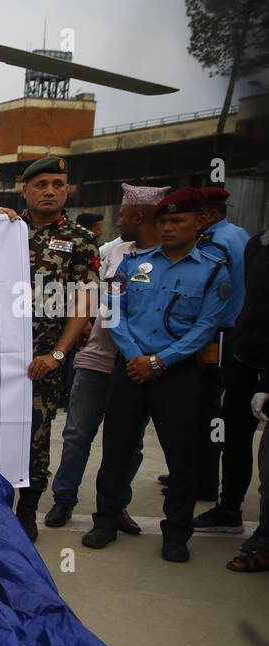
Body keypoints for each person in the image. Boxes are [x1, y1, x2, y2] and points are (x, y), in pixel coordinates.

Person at [82, 188, 240, 562]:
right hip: (131, 370)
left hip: (177, 374)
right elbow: (114, 312)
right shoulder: (132, 263)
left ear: (199, 223)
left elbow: (205, 327)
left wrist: (159, 362)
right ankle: (106, 520)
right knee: (116, 449)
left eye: (177, 221)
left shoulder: (214, 269)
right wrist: (137, 358)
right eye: (163, 221)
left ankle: (176, 533)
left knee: (181, 456)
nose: (168, 228)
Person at [45, 183, 169, 532]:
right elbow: (88, 296)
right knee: (77, 434)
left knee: (130, 444)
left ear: (140, 216)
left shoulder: (168, 258)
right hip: (97, 357)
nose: (119, 222)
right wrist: (82, 323)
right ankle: (63, 498)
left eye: (125, 215)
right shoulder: (109, 253)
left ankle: (116, 505)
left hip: (139, 366)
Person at [0, 156, 99, 541]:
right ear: (25, 190)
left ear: (67, 190)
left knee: (36, 435)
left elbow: (84, 303)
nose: (49, 191)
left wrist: (58, 355)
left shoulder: (80, 240)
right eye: (40, 185)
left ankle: (27, 510)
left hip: (42, 362)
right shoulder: (5, 229)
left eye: (57, 184)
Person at [190, 185, 253, 522]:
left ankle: (205, 481)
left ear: (209, 215)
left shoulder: (214, 242)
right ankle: (203, 472)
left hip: (216, 334)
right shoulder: (240, 234)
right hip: (234, 331)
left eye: (197, 217)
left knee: (208, 407)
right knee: (212, 406)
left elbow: (211, 291)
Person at [226, 219, 269, 571]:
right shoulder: (258, 245)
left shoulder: (239, 240)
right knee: (234, 437)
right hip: (245, 357)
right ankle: (230, 507)